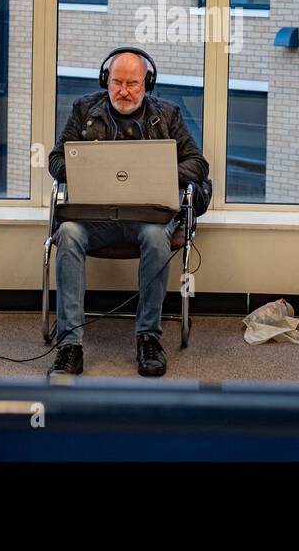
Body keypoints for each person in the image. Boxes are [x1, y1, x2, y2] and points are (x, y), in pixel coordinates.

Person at [47, 47, 210, 378]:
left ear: (146, 83)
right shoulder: (83, 111)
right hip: (95, 217)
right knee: (67, 232)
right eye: (117, 82)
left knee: (154, 238)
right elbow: (55, 161)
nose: (124, 91)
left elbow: (198, 164)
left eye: (133, 83)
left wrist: (160, 171)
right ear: (105, 80)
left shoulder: (168, 114)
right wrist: (86, 166)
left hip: (148, 218)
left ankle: (148, 338)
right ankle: (69, 345)